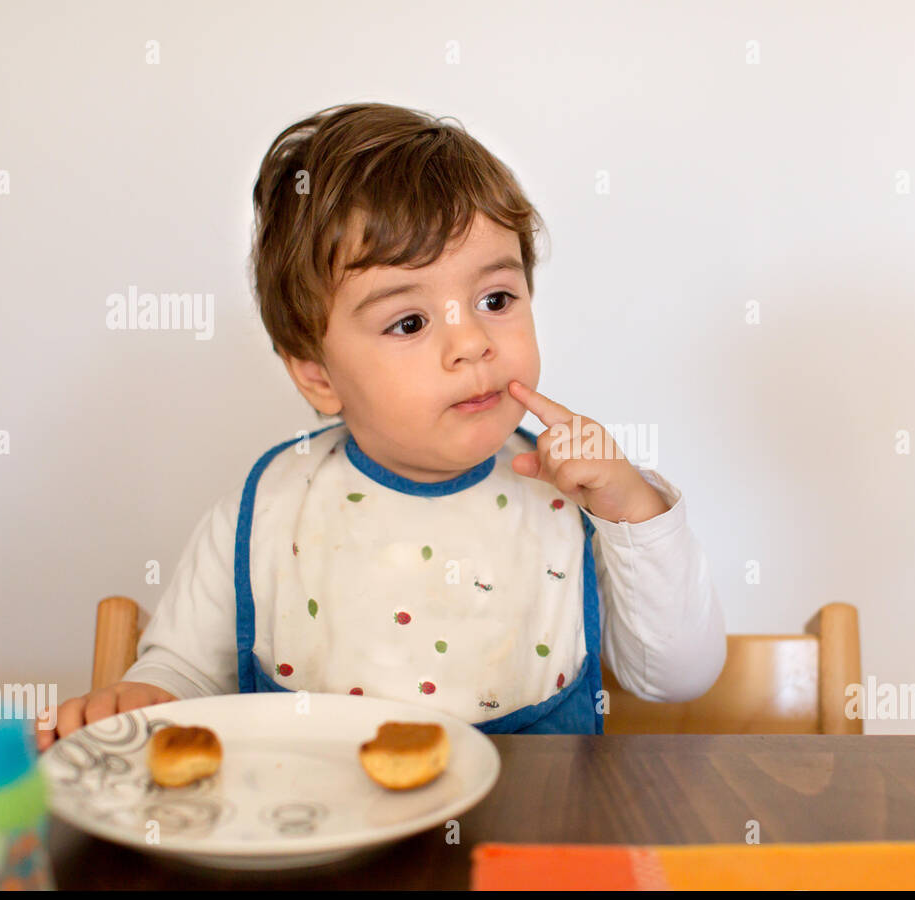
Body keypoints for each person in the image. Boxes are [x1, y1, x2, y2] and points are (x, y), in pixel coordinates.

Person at [37, 103, 724, 749]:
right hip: (324, 859)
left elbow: (678, 676)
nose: (471, 344)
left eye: (496, 298)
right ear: (318, 376)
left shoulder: (572, 502)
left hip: (532, 846)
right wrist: (137, 701)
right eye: (409, 321)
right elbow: (182, 678)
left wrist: (633, 508)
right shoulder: (269, 512)